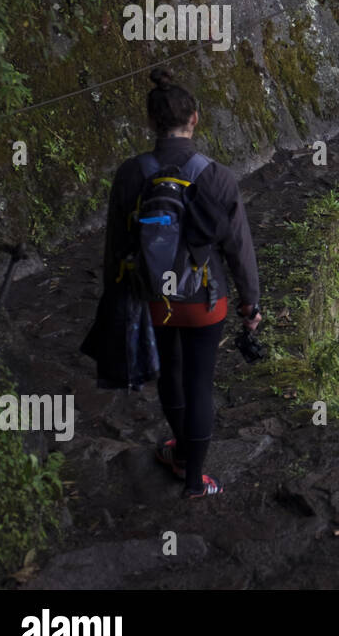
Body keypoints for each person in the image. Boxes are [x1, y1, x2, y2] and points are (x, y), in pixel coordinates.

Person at [102, 68, 261, 498]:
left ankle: (178, 451)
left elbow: (116, 244)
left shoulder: (131, 173)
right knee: (200, 383)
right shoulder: (218, 177)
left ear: (150, 122)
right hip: (204, 300)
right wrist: (251, 304)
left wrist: (116, 299)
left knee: (170, 373)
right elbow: (238, 249)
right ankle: (194, 481)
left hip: (154, 297)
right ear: (195, 119)